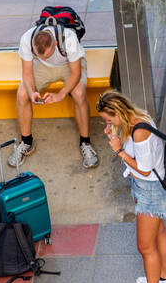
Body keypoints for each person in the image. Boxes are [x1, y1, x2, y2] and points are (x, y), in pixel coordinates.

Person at [97, 90, 166, 283]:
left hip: (149, 190)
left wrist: (118, 150)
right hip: (149, 187)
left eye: (109, 120)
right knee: (159, 232)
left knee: (145, 246)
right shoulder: (139, 119)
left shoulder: (139, 133)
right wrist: (116, 133)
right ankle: (164, 278)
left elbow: (144, 168)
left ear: (118, 112)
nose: (107, 124)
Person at [8, 20, 99, 170]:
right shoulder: (27, 38)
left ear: (55, 43)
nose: (43, 57)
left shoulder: (68, 38)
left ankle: (85, 142)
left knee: (79, 92)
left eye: (47, 55)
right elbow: (27, 72)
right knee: (22, 94)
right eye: (39, 55)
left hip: (69, 65)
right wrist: (32, 92)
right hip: (44, 69)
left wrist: (60, 94)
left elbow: (76, 73)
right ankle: (26, 142)